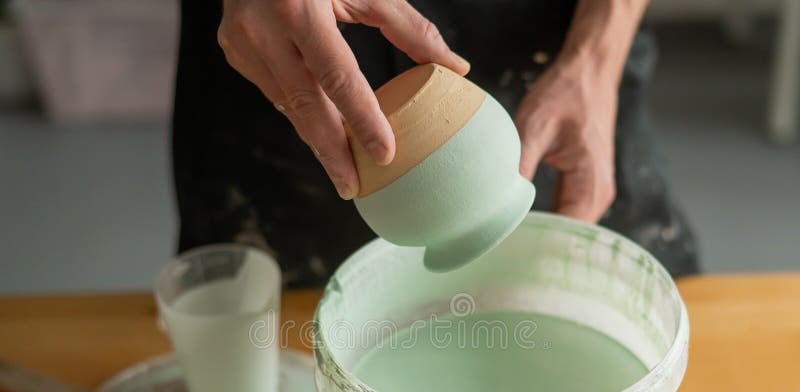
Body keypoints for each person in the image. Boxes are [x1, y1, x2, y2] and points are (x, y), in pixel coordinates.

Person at [173, 0, 699, 287]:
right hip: (290, 62)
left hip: (561, 55)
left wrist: (596, 58)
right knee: (280, 338)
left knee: (617, 291)